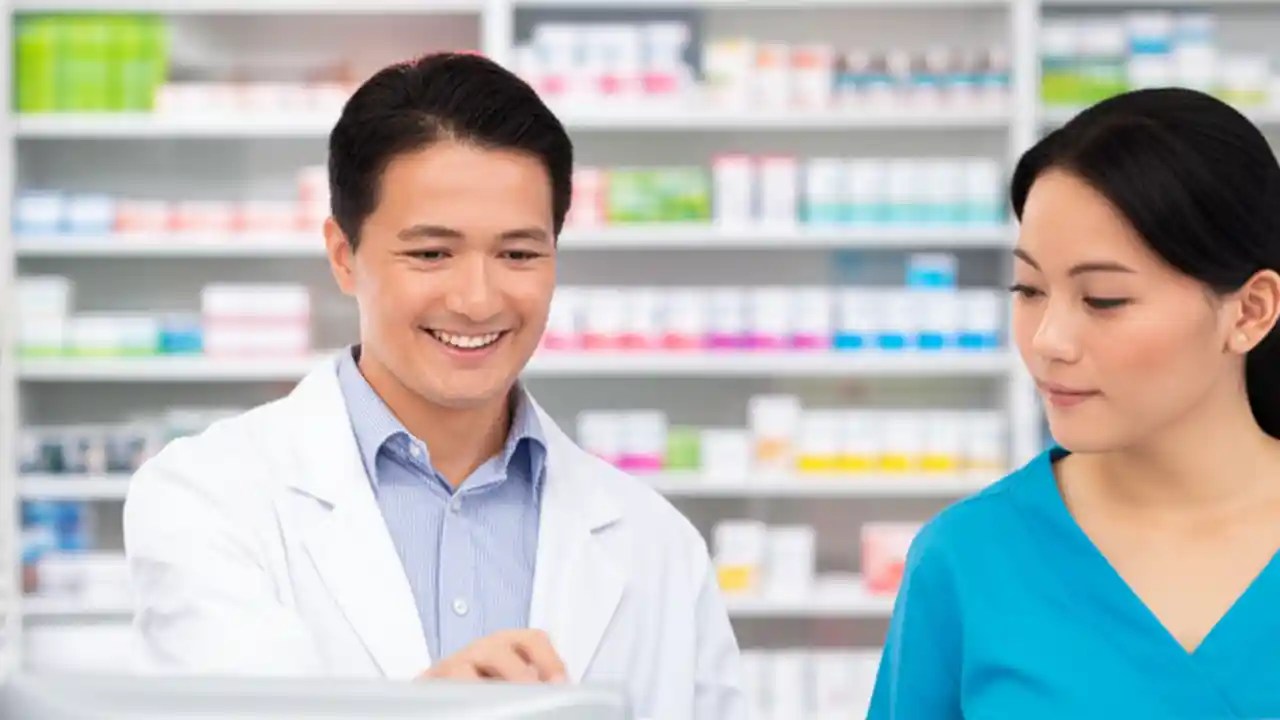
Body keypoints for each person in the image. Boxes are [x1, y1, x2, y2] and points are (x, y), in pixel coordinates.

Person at [123, 52, 745, 720]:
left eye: (518, 254)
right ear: (343, 256)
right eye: (430, 253)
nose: (477, 301)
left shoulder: (658, 546)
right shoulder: (207, 499)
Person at [868, 88, 1280, 718]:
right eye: (1028, 289)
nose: (1047, 341)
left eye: (1103, 300)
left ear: (1249, 312)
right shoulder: (967, 560)